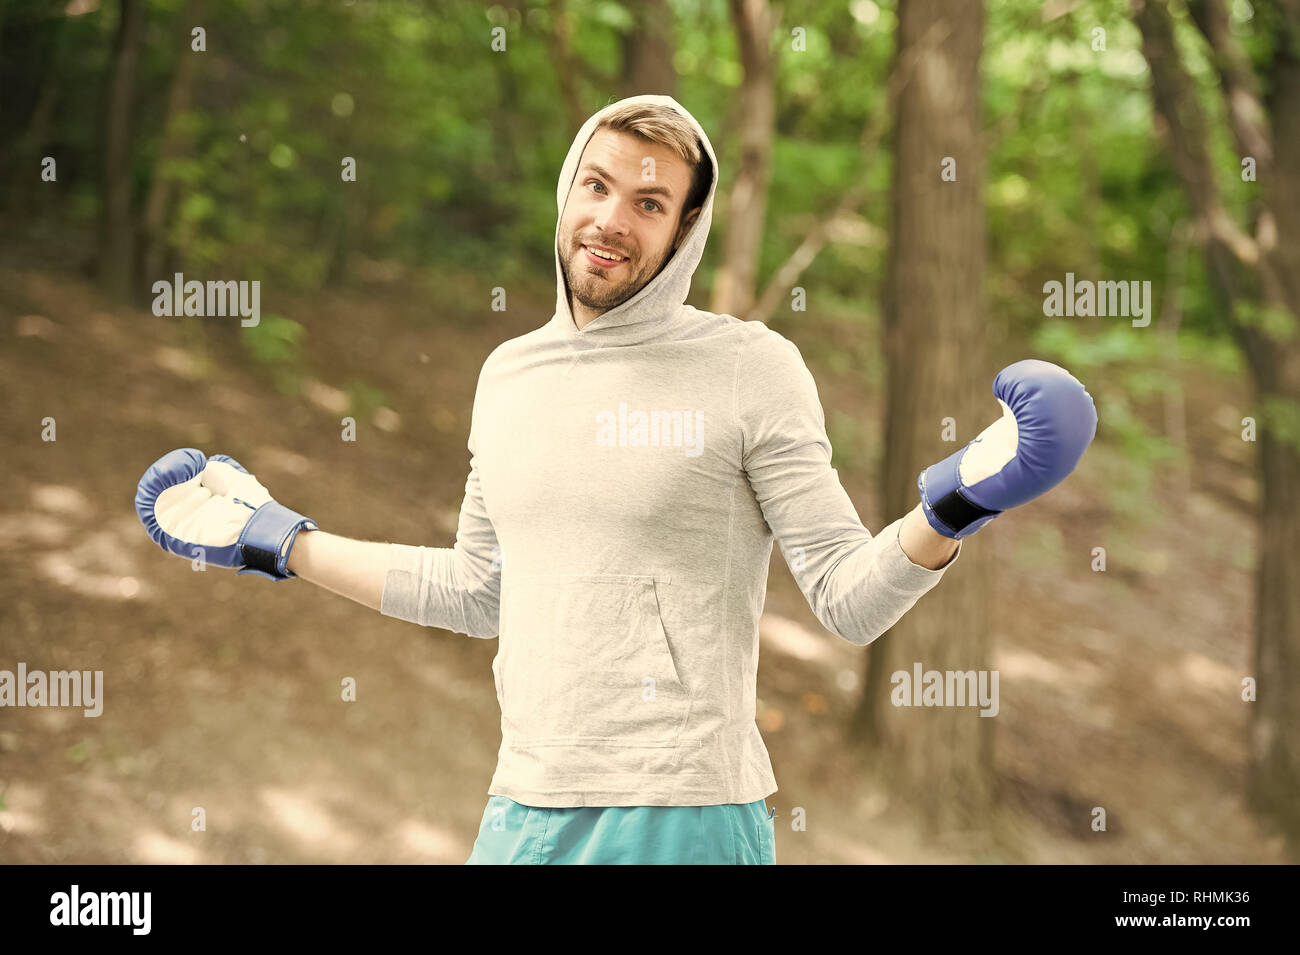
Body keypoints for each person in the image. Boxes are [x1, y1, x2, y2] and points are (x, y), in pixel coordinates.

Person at [134, 94, 1097, 865]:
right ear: (567, 191)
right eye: (597, 186)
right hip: (523, 803)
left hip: (678, 811)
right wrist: (280, 537)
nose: (611, 220)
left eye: (648, 203)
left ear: (683, 229)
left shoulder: (749, 366)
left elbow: (845, 596)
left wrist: (960, 499)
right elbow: (479, 591)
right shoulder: (509, 374)